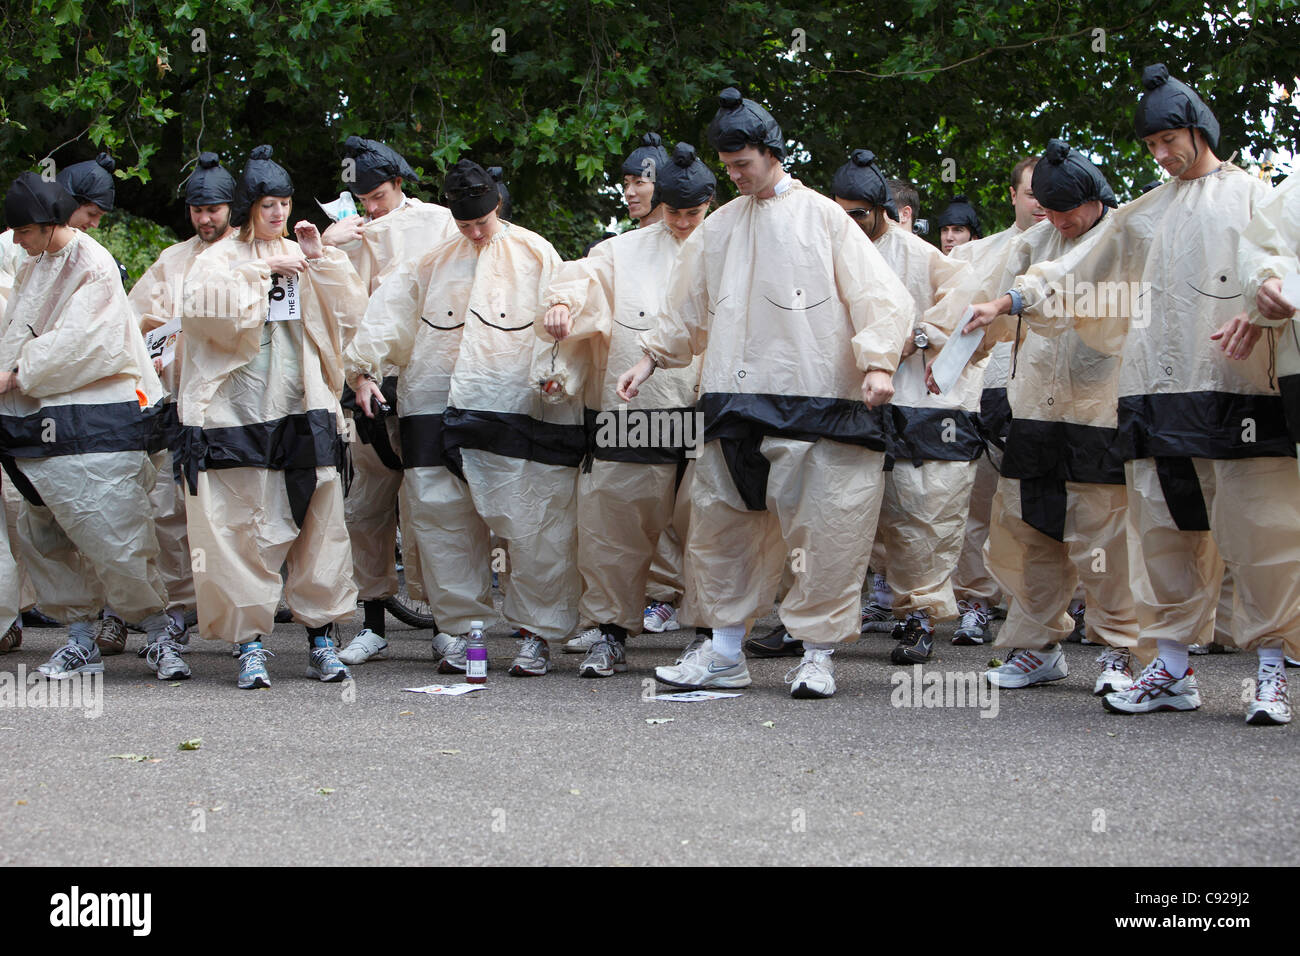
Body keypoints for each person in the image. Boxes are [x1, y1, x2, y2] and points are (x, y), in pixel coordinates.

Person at [963, 64, 1296, 725]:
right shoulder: (1144, 214)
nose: (1161, 154)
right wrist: (1012, 299)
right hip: (1153, 396)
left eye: (1169, 139)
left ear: (1199, 129)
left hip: (1241, 393)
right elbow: (1079, 267)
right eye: (1151, 146)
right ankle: (1171, 670)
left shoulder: (1261, 200)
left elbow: (1283, 264)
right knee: (1164, 533)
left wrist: (1267, 308)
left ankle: (1270, 677)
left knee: (1261, 534)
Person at [617, 88, 913, 699]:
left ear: (771, 152)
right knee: (720, 526)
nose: (734, 175)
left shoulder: (824, 218)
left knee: (824, 527)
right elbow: (689, 310)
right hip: (732, 398)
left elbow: (878, 295)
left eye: (742, 164)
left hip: (818, 397)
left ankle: (818, 653)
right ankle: (724, 651)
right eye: (726, 167)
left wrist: (879, 363)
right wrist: (649, 356)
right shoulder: (719, 227)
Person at [347, 159, 578, 677]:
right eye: (465, 224)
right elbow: (389, 312)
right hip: (434, 403)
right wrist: (362, 371)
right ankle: (457, 631)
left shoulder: (535, 252)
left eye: (482, 222)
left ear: (498, 205)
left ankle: (536, 633)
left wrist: (563, 313)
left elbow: (567, 300)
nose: (474, 232)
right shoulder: (431, 262)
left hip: (512, 402)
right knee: (440, 517)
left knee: (531, 519)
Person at [930, 140, 1143, 694]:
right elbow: (986, 302)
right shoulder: (1034, 241)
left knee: (1103, 535)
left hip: (1100, 408)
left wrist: (1008, 301)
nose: (1064, 222)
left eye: (1071, 209)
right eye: (1052, 210)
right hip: (1033, 407)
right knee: (1032, 529)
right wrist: (949, 356)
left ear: (1095, 197)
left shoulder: (1121, 236)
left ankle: (1119, 649)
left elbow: (1052, 282)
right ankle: (1037, 644)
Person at [180, 145, 365, 689]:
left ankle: (322, 639)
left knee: (319, 519)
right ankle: (250, 646)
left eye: (284, 203)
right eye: (268, 205)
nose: (279, 214)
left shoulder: (297, 249)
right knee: (240, 526)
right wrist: (262, 269)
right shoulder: (217, 259)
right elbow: (205, 312)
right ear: (248, 208)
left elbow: (350, 314)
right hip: (235, 411)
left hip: (303, 406)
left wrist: (319, 257)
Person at [540, 142, 714, 678]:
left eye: (695, 213)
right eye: (676, 212)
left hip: (712, 406)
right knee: (614, 521)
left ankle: (713, 635)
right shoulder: (620, 252)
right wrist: (563, 301)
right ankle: (611, 630)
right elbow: (582, 277)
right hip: (637, 405)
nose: (684, 223)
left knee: (713, 525)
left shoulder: (730, 243)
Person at [0, 172, 177, 678]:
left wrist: (16, 374)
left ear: (47, 223)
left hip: (94, 420)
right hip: (34, 425)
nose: (16, 240)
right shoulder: (36, 262)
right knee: (44, 532)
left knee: (116, 532)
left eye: (23, 231)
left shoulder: (92, 263)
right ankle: (80, 638)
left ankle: (160, 634)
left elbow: (88, 342)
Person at [828, 149, 980, 663]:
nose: (850, 222)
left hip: (914, 401)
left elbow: (965, 288)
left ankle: (919, 617)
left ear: (882, 209)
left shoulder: (917, 254)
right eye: (841, 211)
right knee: (835, 508)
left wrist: (923, 334)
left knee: (919, 510)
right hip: (844, 399)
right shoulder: (826, 249)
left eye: (859, 214)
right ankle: (819, 619)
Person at [320, 136, 456, 666]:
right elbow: (335, 307)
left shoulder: (438, 223)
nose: (372, 207)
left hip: (423, 379)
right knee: (366, 506)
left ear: (399, 185)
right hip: (363, 382)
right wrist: (332, 247)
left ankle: (446, 623)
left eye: (379, 195)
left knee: (433, 506)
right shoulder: (347, 230)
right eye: (363, 198)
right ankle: (373, 623)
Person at [127, 152, 238, 652]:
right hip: (177, 405)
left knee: (237, 510)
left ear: (230, 208)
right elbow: (135, 323)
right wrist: (146, 354)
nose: (205, 219)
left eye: (213, 209)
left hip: (236, 407)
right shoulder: (171, 261)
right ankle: (179, 609)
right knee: (170, 511)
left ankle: (243, 618)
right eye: (197, 210)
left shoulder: (253, 256)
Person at [949, 156, 1045, 640]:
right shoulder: (972, 257)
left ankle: (1065, 605)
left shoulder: (1082, 256)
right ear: (1012, 195)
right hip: (984, 394)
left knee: (1058, 505)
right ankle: (976, 600)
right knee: (978, 504)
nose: (1042, 202)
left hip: (1055, 396)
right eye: (1032, 192)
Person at [621, 133, 669, 228]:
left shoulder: (689, 240)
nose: (628, 193)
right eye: (626, 184)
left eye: (639, 182)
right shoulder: (617, 242)